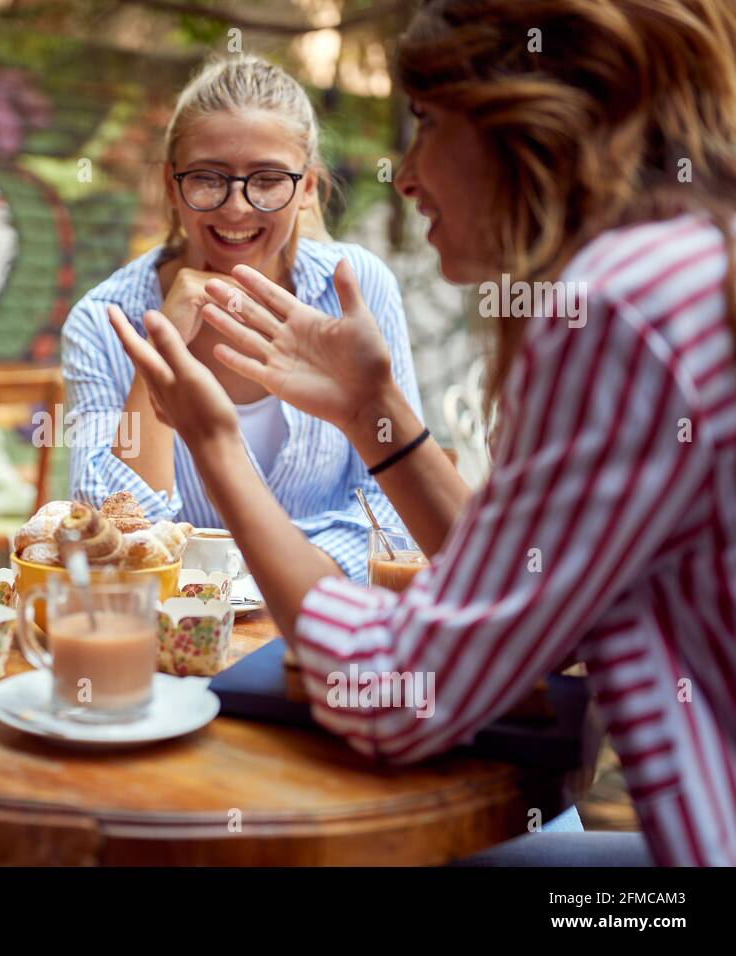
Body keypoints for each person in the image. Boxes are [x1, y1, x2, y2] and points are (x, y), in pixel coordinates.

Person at [110, 0, 736, 865]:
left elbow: (391, 695)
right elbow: (534, 602)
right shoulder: (687, 264)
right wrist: (376, 411)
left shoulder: (622, 310)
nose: (404, 176)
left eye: (429, 126)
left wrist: (214, 446)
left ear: (527, 125)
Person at [62, 55, 422, 583]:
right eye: (207, 178)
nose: (235, 208)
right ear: (170, 184)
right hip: (175, 631)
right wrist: (160, 354)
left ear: (307, 189)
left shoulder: (357, 290)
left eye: (268, 179)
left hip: (327, 618)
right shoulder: (102, 322)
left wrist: (283, 586)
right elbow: (113, 537)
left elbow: (396, 504)